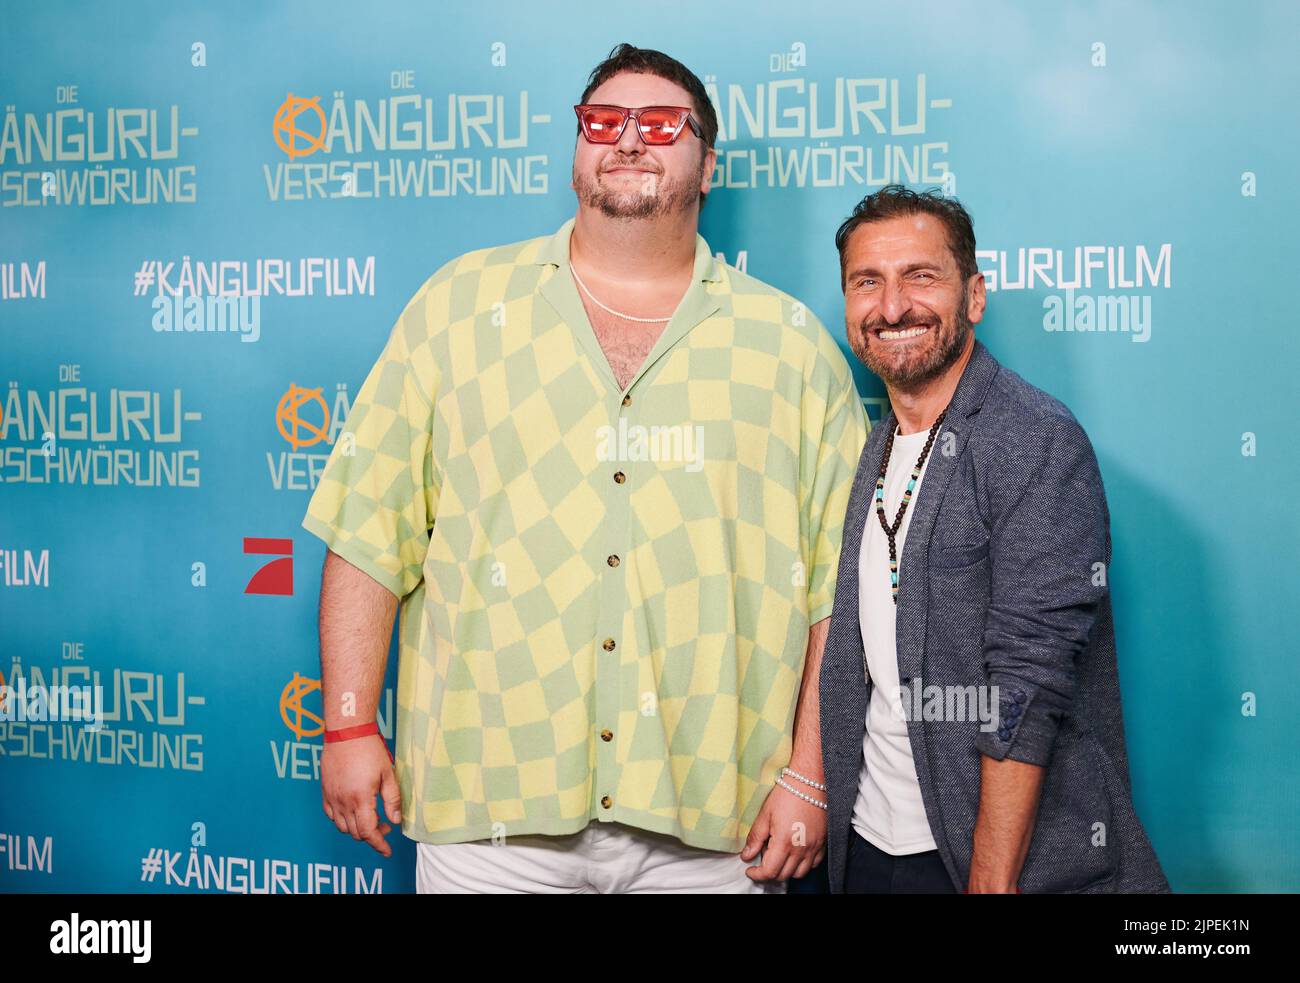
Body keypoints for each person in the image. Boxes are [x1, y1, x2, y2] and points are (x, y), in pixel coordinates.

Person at [301, 43, 868, 894]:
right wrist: (347, 724)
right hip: (490, 814)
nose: (630, 140)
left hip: (716, 831)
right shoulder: (457, 308)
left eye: (662, 124)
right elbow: (367, 532)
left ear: (707, 163)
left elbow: (835, 593)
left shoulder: (791, 349)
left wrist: (811, 774)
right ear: (576, 150)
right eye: (604, 122)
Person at [819, 184, 1169, 893]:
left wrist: (990, 879)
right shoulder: (875, 445)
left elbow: (1025, 684)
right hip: (867, 846)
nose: (892, 307)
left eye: (921, 276)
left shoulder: (1035, 438)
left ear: (974, 297)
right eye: (868, 282)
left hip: (988, 861)